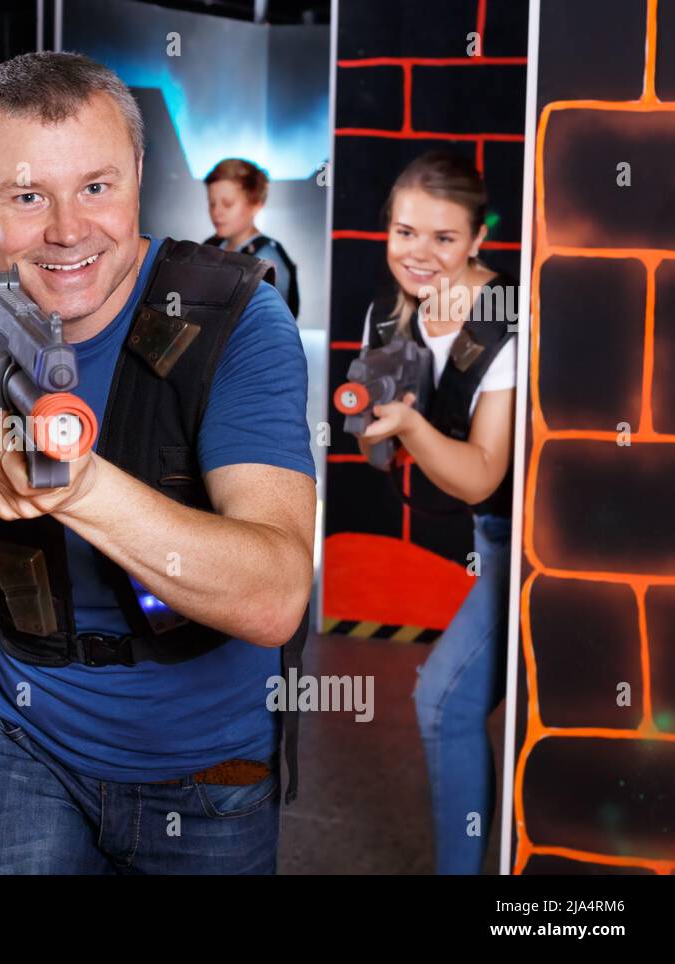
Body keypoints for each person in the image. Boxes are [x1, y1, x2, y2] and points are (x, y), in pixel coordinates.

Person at [0, 52, 314, 874]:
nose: (70, 231)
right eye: (28, 196)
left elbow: (277, 596)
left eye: (98, 187)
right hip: (16, 735)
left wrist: (79, 486)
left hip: (205, 766)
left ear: (141, 176)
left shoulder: (235, 315)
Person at [353, 150, 517, 874]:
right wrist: (375, 422)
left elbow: (482, 475)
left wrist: (411, 427)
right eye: (404, 233)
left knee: (445, 703)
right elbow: (370, 442)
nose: (419, 255)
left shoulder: (509, 320)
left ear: (478, 238)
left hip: (529, 544)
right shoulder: (389, 313)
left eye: (443, 239)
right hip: (487, 534)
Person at [203, 158, 299, 317]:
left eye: (227, 204)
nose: (217, 212)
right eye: (212, 203)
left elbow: (275, 325)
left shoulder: (269, 258)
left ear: (256, 204)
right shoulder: (210, 245)